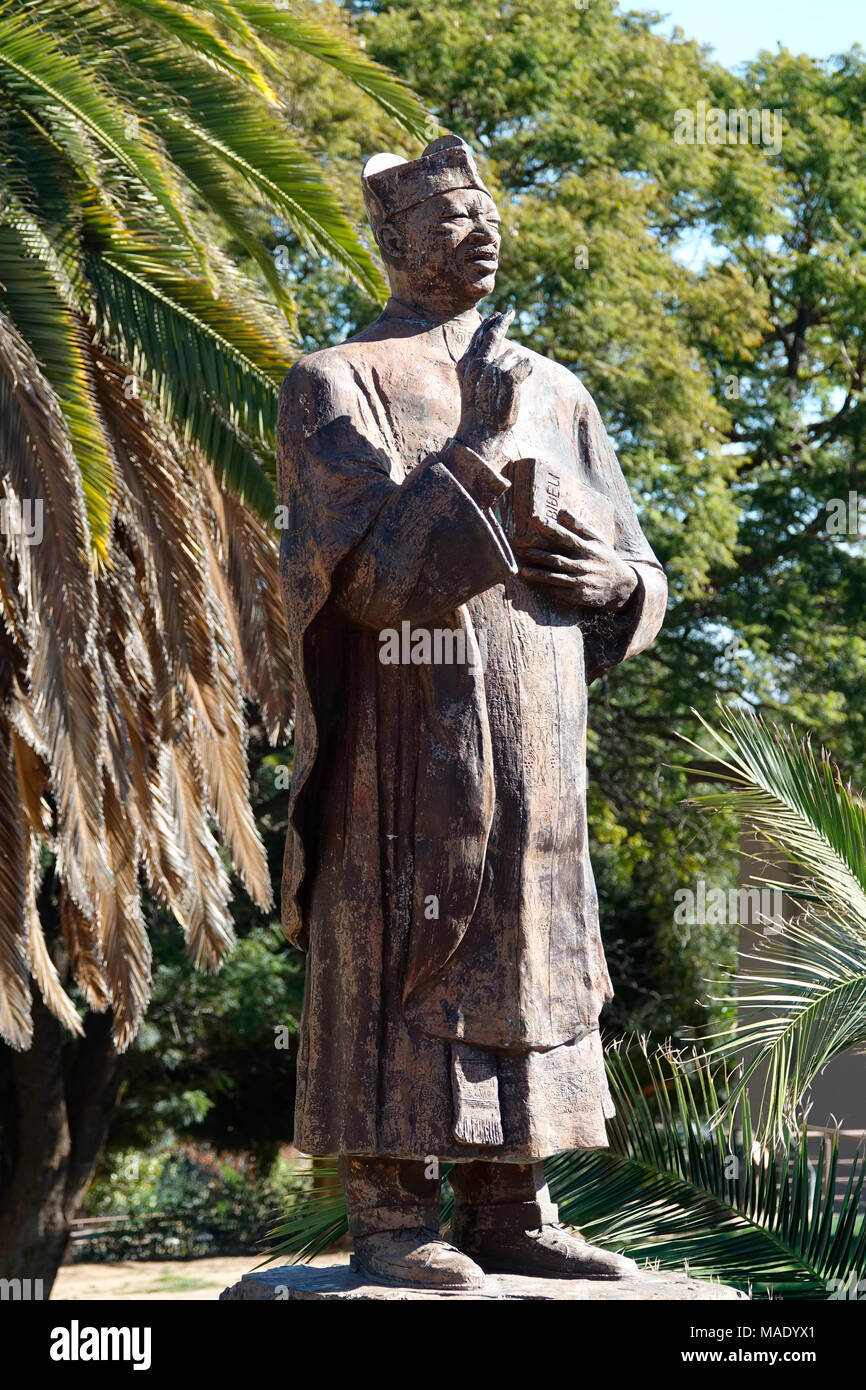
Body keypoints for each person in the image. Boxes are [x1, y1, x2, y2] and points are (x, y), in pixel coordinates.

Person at [277, 136, 667, 1289]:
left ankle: (512, 1204)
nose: (479, 232)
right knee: (405, 941)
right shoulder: (334, 381)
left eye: (487, 213)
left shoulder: (561, 388)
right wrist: (480, 442)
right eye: (447, 219)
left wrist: (621, 591)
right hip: (404, 741)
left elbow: (638, 564)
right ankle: (393, 1215)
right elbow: (365, 586)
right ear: (390, 242)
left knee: (531, 942)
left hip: (542, 740)